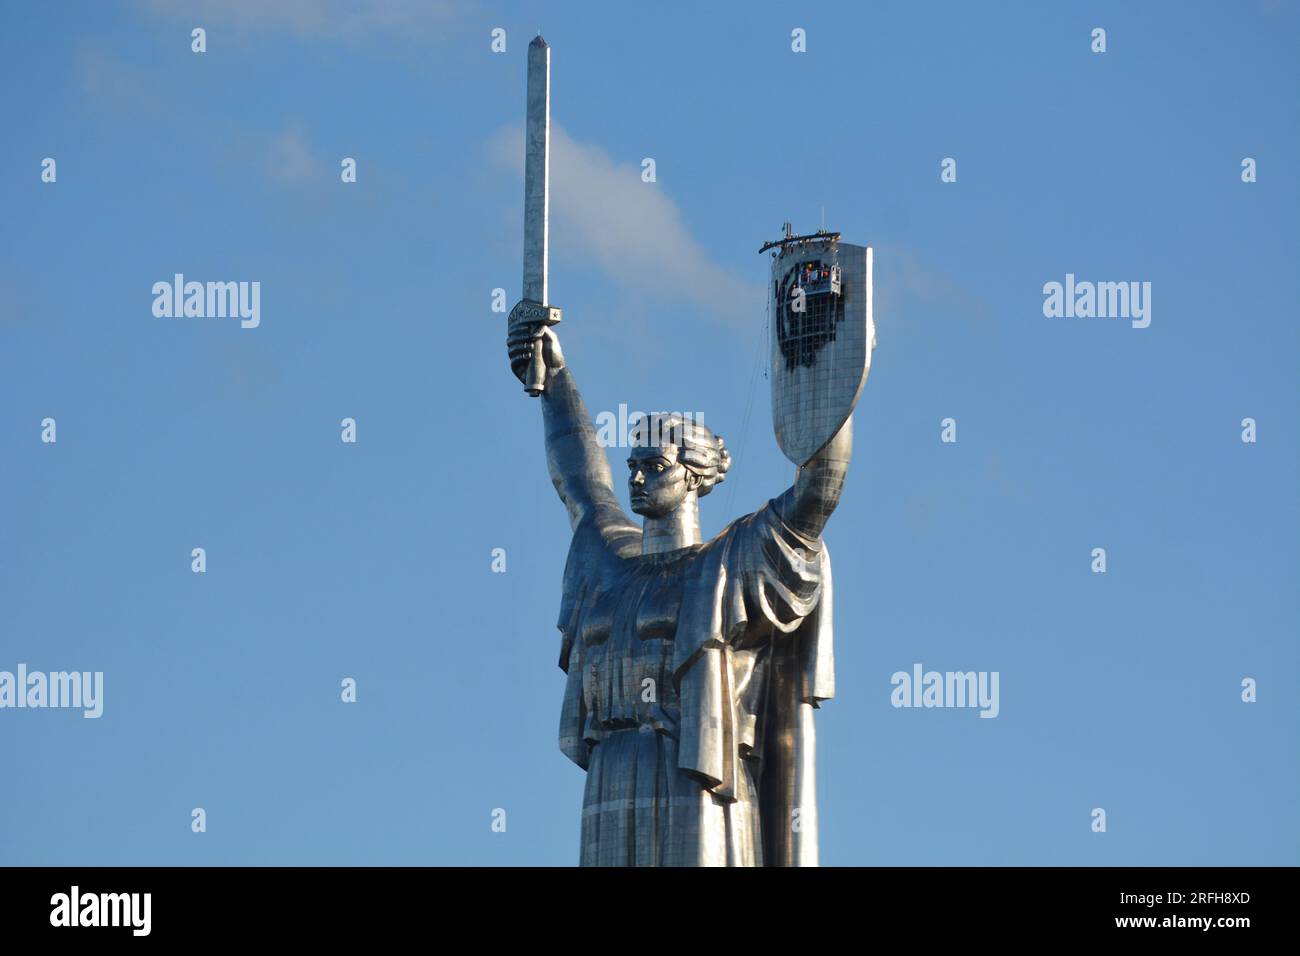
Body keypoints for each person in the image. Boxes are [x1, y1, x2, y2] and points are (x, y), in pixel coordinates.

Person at [506, 321, 852, 865]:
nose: (638, 479)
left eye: (655, 467)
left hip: (692, 773)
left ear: (693, 475)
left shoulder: (725, 563)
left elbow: (819, 492)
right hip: (612, 774)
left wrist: (828, 366)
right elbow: (579, 481)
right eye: (634, 467)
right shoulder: (608, 562)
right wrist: (554, 379)